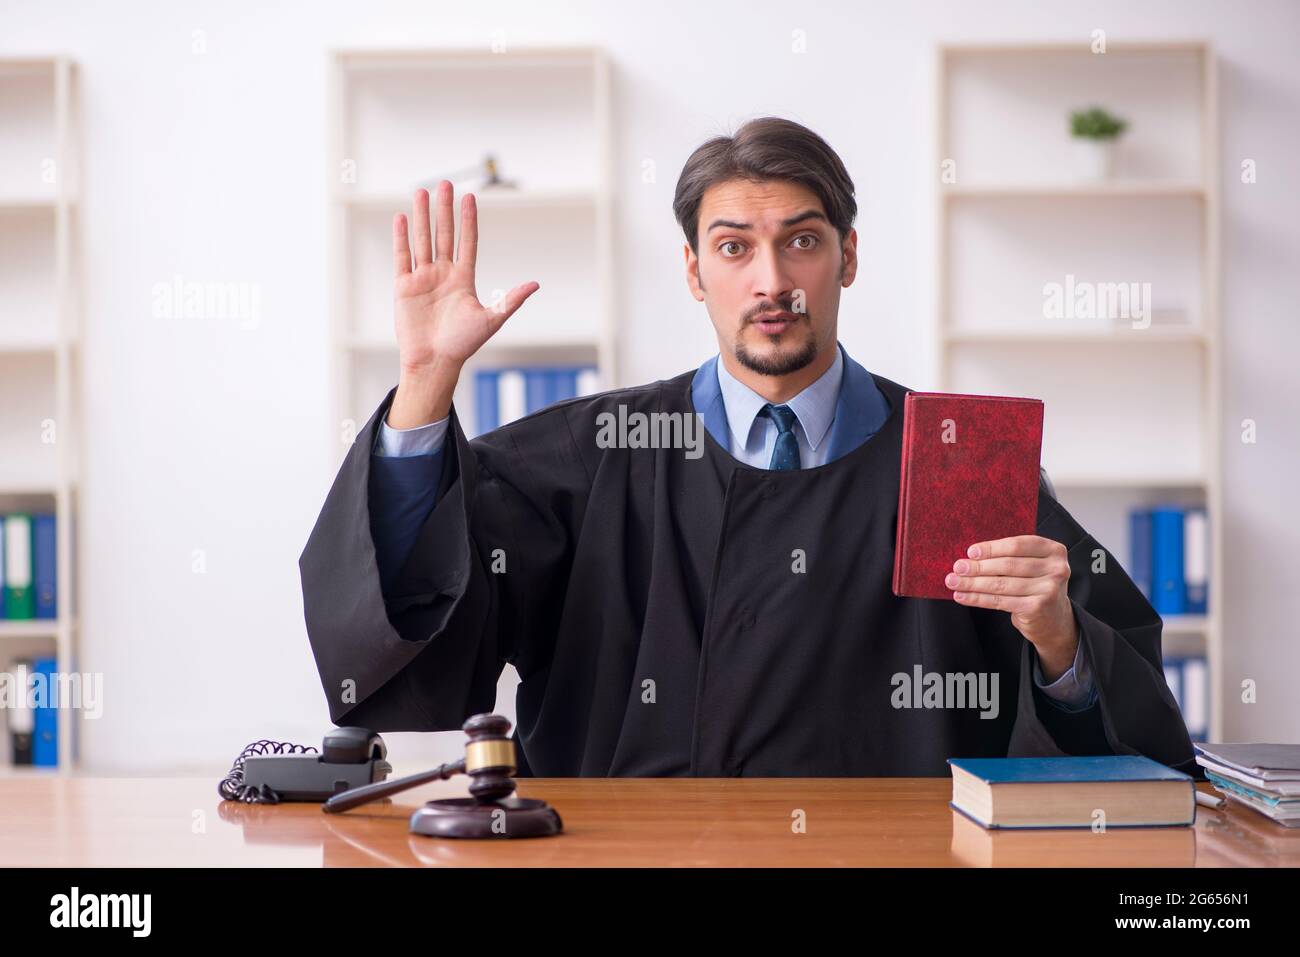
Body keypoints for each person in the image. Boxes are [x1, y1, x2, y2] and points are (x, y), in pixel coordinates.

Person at [299, 116, 1196, 778]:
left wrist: (1059, 640)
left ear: (846, 257)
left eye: (801, 242)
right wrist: (424, 383)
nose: (771, 282)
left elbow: (1130, 739)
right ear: (694, 270)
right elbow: (414, 629)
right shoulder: (593, 454)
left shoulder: (959, 460)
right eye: (734, 248)